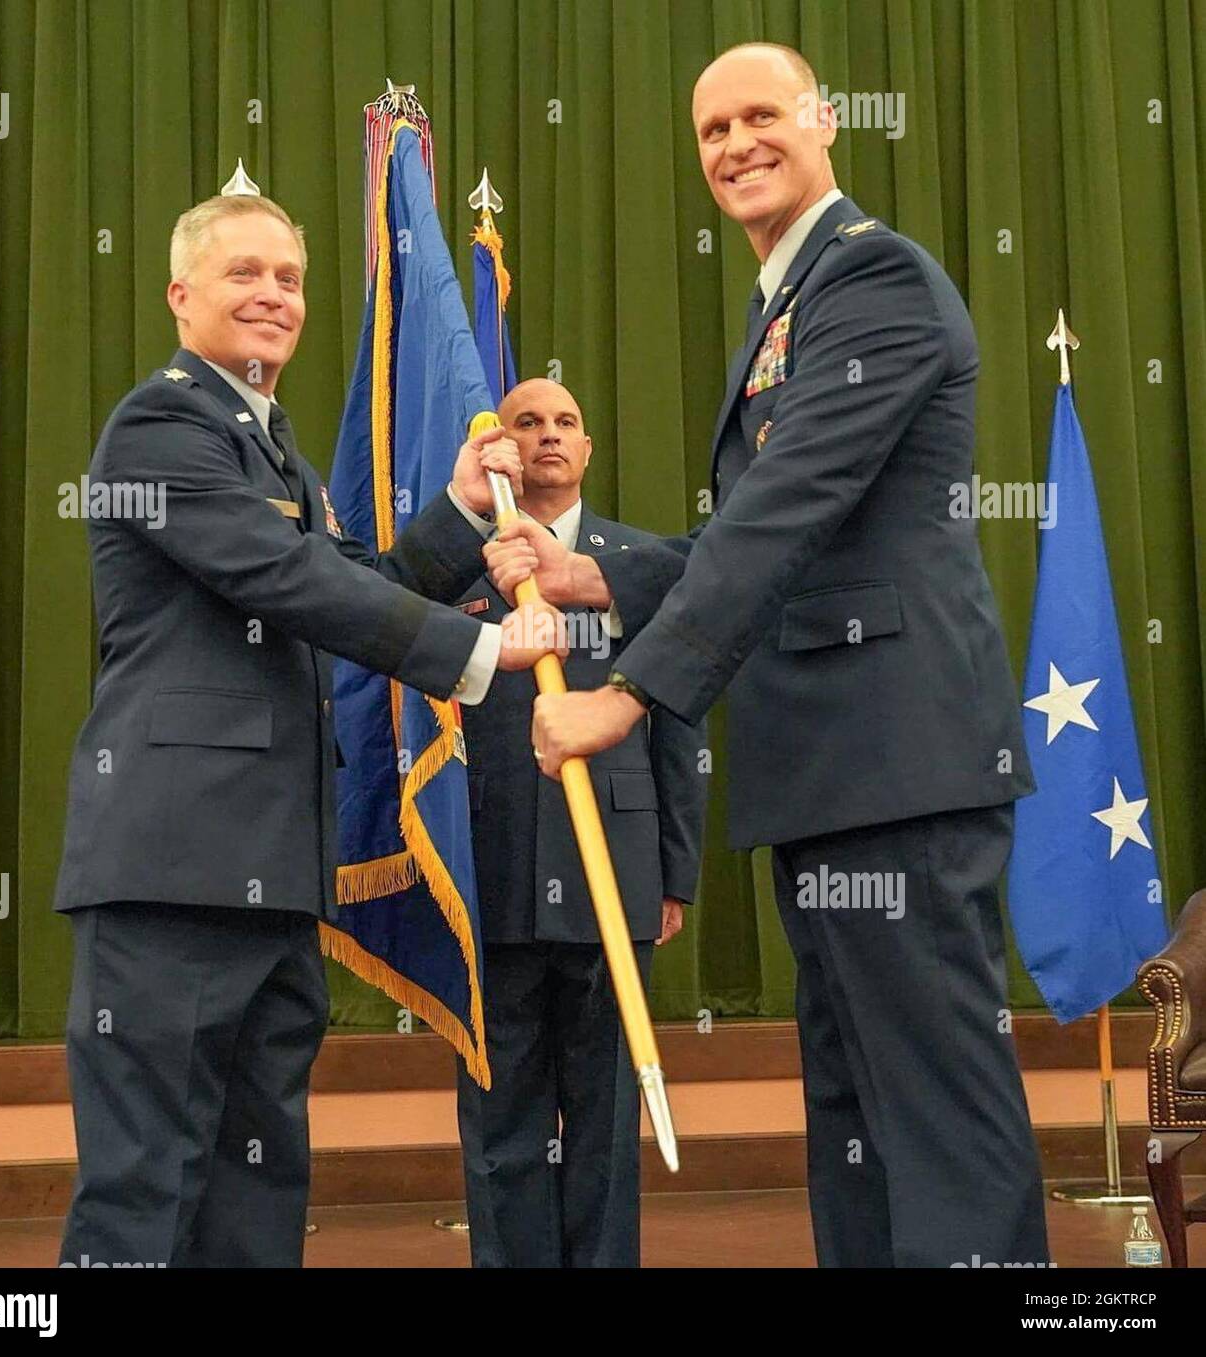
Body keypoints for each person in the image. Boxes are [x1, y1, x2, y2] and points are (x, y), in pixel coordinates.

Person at [495, 44, 1050, 1268]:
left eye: (761, 116)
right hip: (836, 778)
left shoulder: (875, 281)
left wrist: (628, 691)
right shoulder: (787, 303)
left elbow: (788, 504)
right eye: (711, 131)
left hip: (899, 766)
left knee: (935, 1116)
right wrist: (596, 574)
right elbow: (751, 531)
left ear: (826, 121)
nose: (736, 144)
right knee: (857, 1115)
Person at [54, 190, 560, 1268]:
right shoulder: (163, 424)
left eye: (288, 278)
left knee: (255, 1188)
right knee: (147, 1186)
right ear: (179, 295)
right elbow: (283, 578)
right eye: (245, 274)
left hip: (273, 876)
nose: (273, 296)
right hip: (174, 871)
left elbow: (344, 581)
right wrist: (477, 654)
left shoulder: (270, 445)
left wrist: (465, 511)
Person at [449, 379, 707, 1267]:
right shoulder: (458, 570)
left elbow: (678, 720)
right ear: (503, 450)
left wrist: (675, 873)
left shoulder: (640, 566)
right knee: (501, 1115)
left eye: (565, 422)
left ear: (589, 449)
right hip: (493, 875)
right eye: (528, 422)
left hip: (618, 871)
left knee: (601, 1115)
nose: (548, 435)